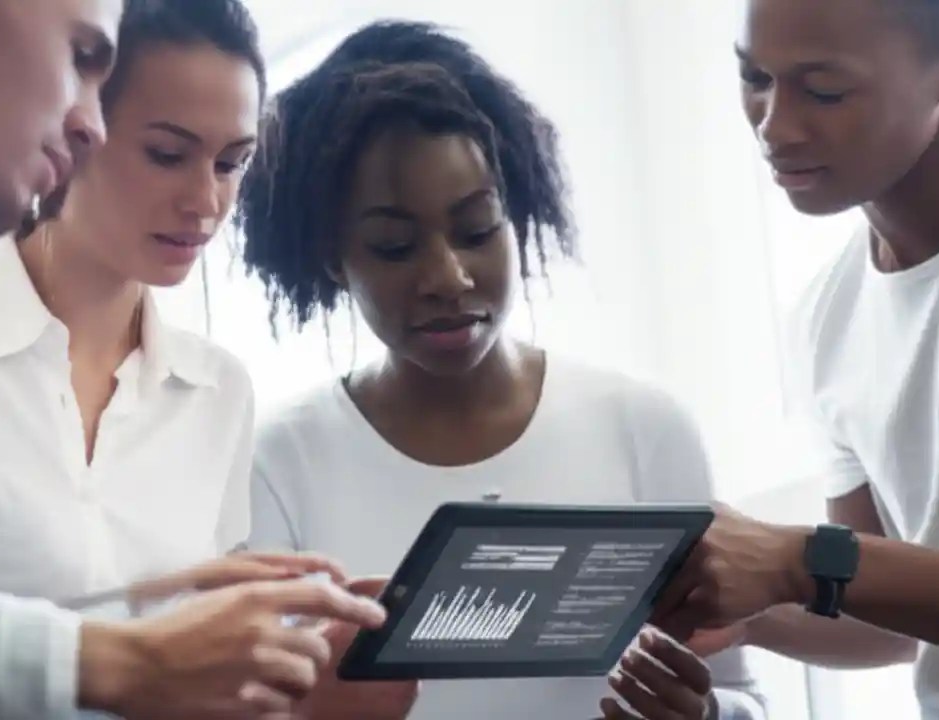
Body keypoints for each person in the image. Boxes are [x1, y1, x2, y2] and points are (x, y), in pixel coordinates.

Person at [0, 1, 385, 718]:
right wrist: (120, 658)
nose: (86, 123)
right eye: (83, 57)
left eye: (233, 162)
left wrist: (224, 665)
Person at [239, 21, 766, 720]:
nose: (449, 277)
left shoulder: (643, 428)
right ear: (335, 257)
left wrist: (705, 715)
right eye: (395, 246)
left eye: (477, 229)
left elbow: (744, 697)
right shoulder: (278, 465)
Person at [654, 0, 939, 717]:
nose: (774, 125)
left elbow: (849, 570)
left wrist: (799, 560)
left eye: (823, 90)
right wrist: (747, 607)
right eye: (755, 78)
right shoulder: (829, 314)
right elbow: (883, 608)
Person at [0, 0, 266, 609]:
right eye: (167, 154)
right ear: (78, 123)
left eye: (231, 163)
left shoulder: (220, 394)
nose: (206, 201)